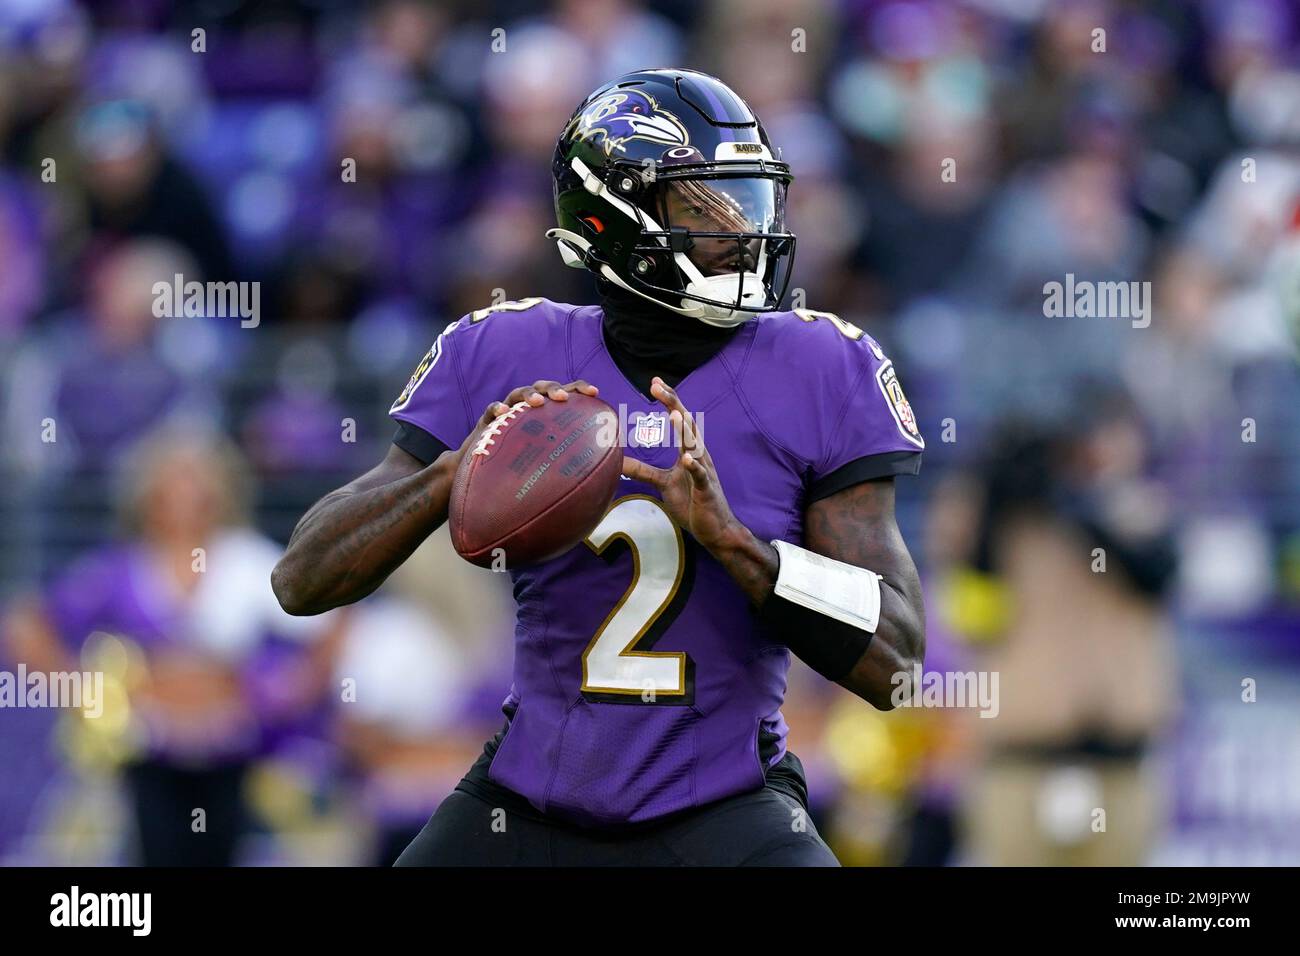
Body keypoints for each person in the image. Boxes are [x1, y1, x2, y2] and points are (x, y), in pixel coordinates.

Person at [272, 69, 928, 866]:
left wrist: (738, 547)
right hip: (528, 805)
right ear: (610, 215)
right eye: (703, 207)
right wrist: (450, 476)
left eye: (748, 203)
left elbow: (896, 664)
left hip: (724, 810)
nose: (742, 233)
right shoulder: (503, 350)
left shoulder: (822, 364)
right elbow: (300, 580)